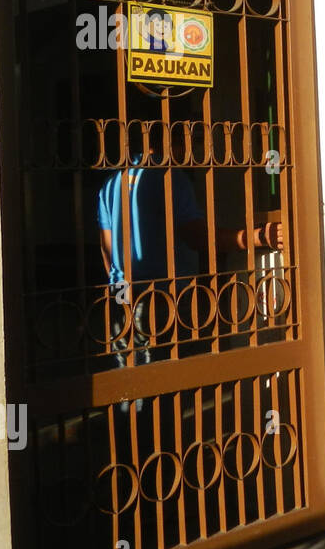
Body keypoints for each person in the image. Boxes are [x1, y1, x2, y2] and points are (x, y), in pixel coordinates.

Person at [97, 90, 285, 372]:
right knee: (174, 384)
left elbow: (107, 248)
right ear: (167, 136)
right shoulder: (170, 177)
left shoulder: (112, 182)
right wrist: (256, 237)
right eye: (186, 136)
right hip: (167, 299)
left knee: (130, 383)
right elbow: (196, 237)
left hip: (123, 298)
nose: (190, 146)